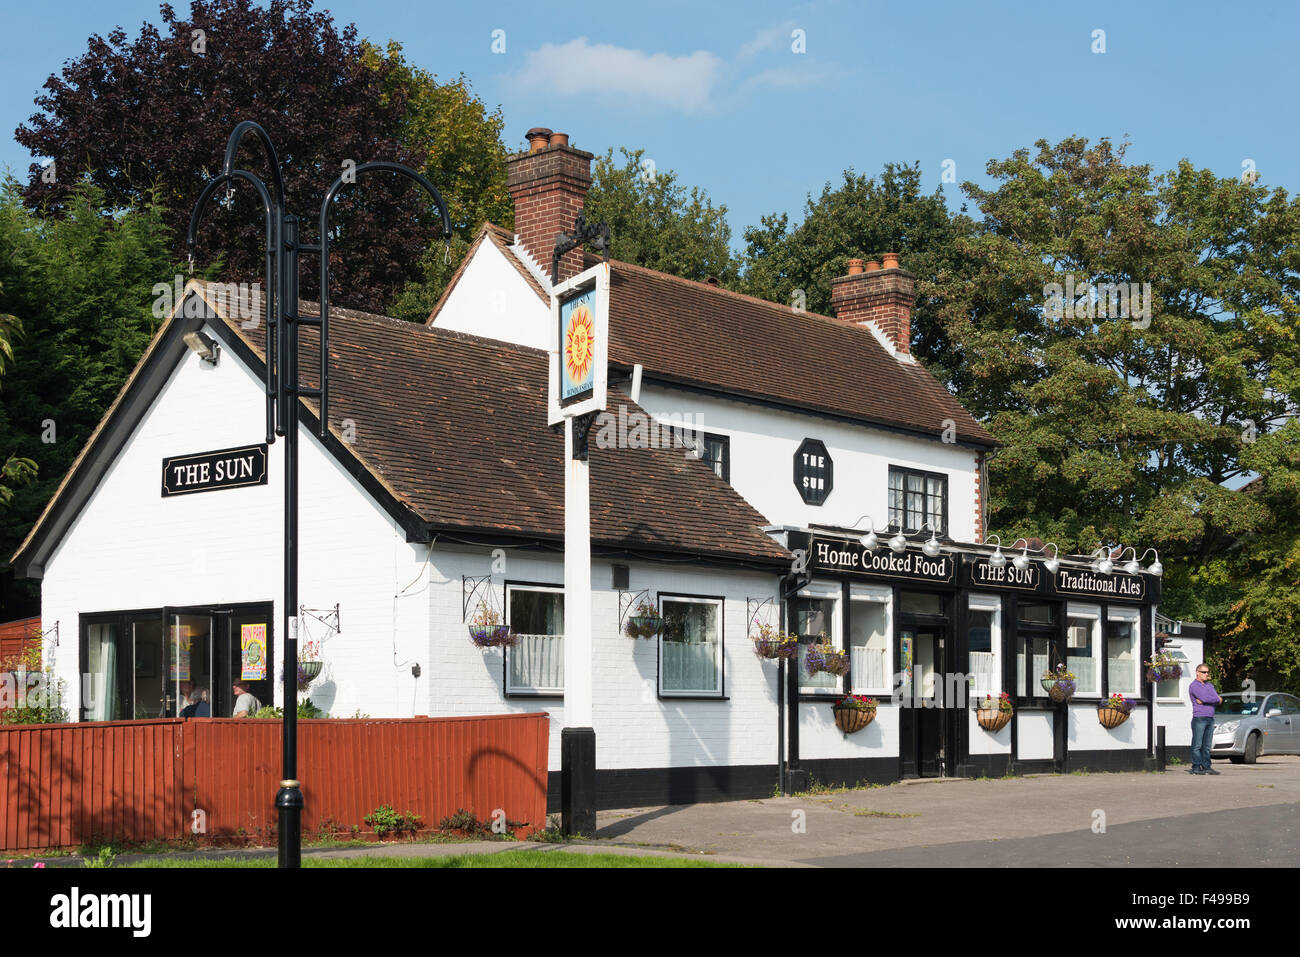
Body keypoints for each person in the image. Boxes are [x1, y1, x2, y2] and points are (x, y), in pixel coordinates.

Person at [1188, 663, 1222, 775]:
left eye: (1207, 672)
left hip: (1210, 717)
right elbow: (1206, 697)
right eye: (1204, 672)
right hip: (1199, 717)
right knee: (1197, 745)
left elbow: (1217, 699)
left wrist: (1211, 699)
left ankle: (1207, 766)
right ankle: (1196, 767)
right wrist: (1213, 699)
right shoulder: (1194, 685)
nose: (1206, 674)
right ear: (1197, 672)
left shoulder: (1210, 685)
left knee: (1207, 746)